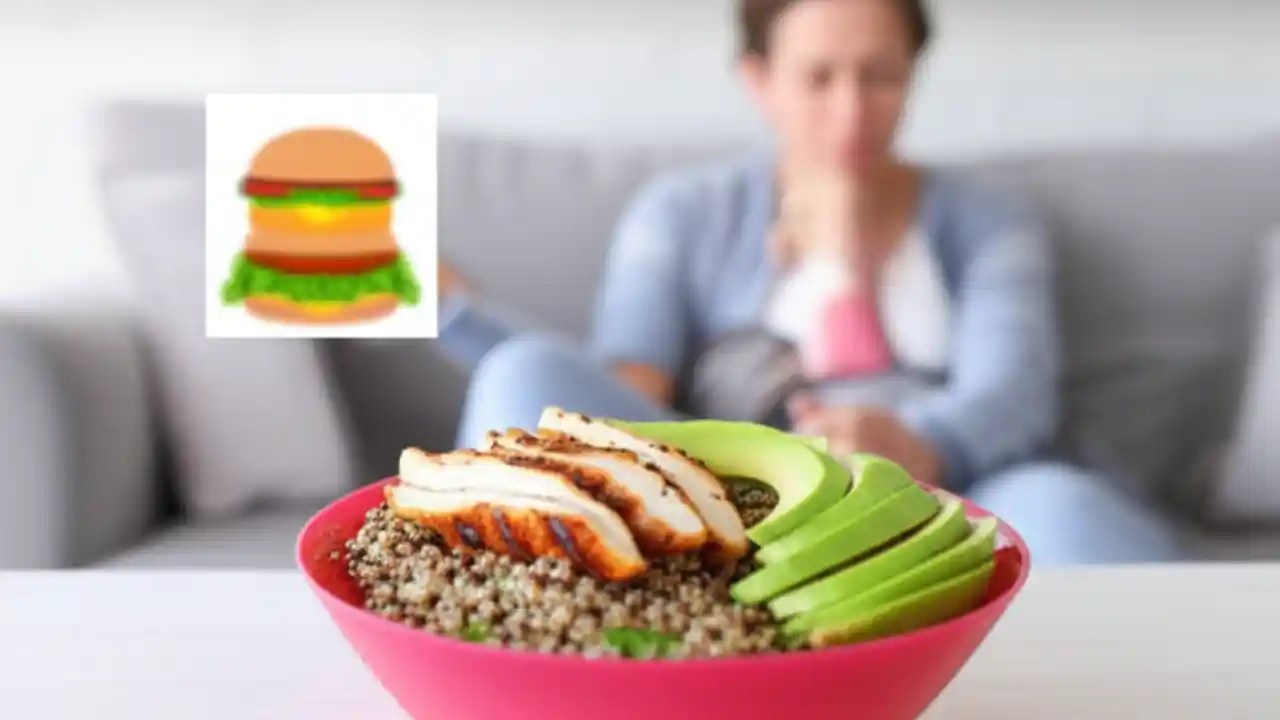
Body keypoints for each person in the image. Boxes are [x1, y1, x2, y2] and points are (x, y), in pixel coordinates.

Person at [436, 0, 1181, 565]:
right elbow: (617, 399)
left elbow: (1014, 396)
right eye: (819, 77)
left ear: (913, 74)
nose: (852, 111)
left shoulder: (990, 221)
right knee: (521, 372)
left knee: (1064, 510)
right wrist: (457, 311)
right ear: (759, 80)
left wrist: (913, 441)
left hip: (951, 500)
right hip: (733, 505)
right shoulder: (684, 212)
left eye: (880, 76)